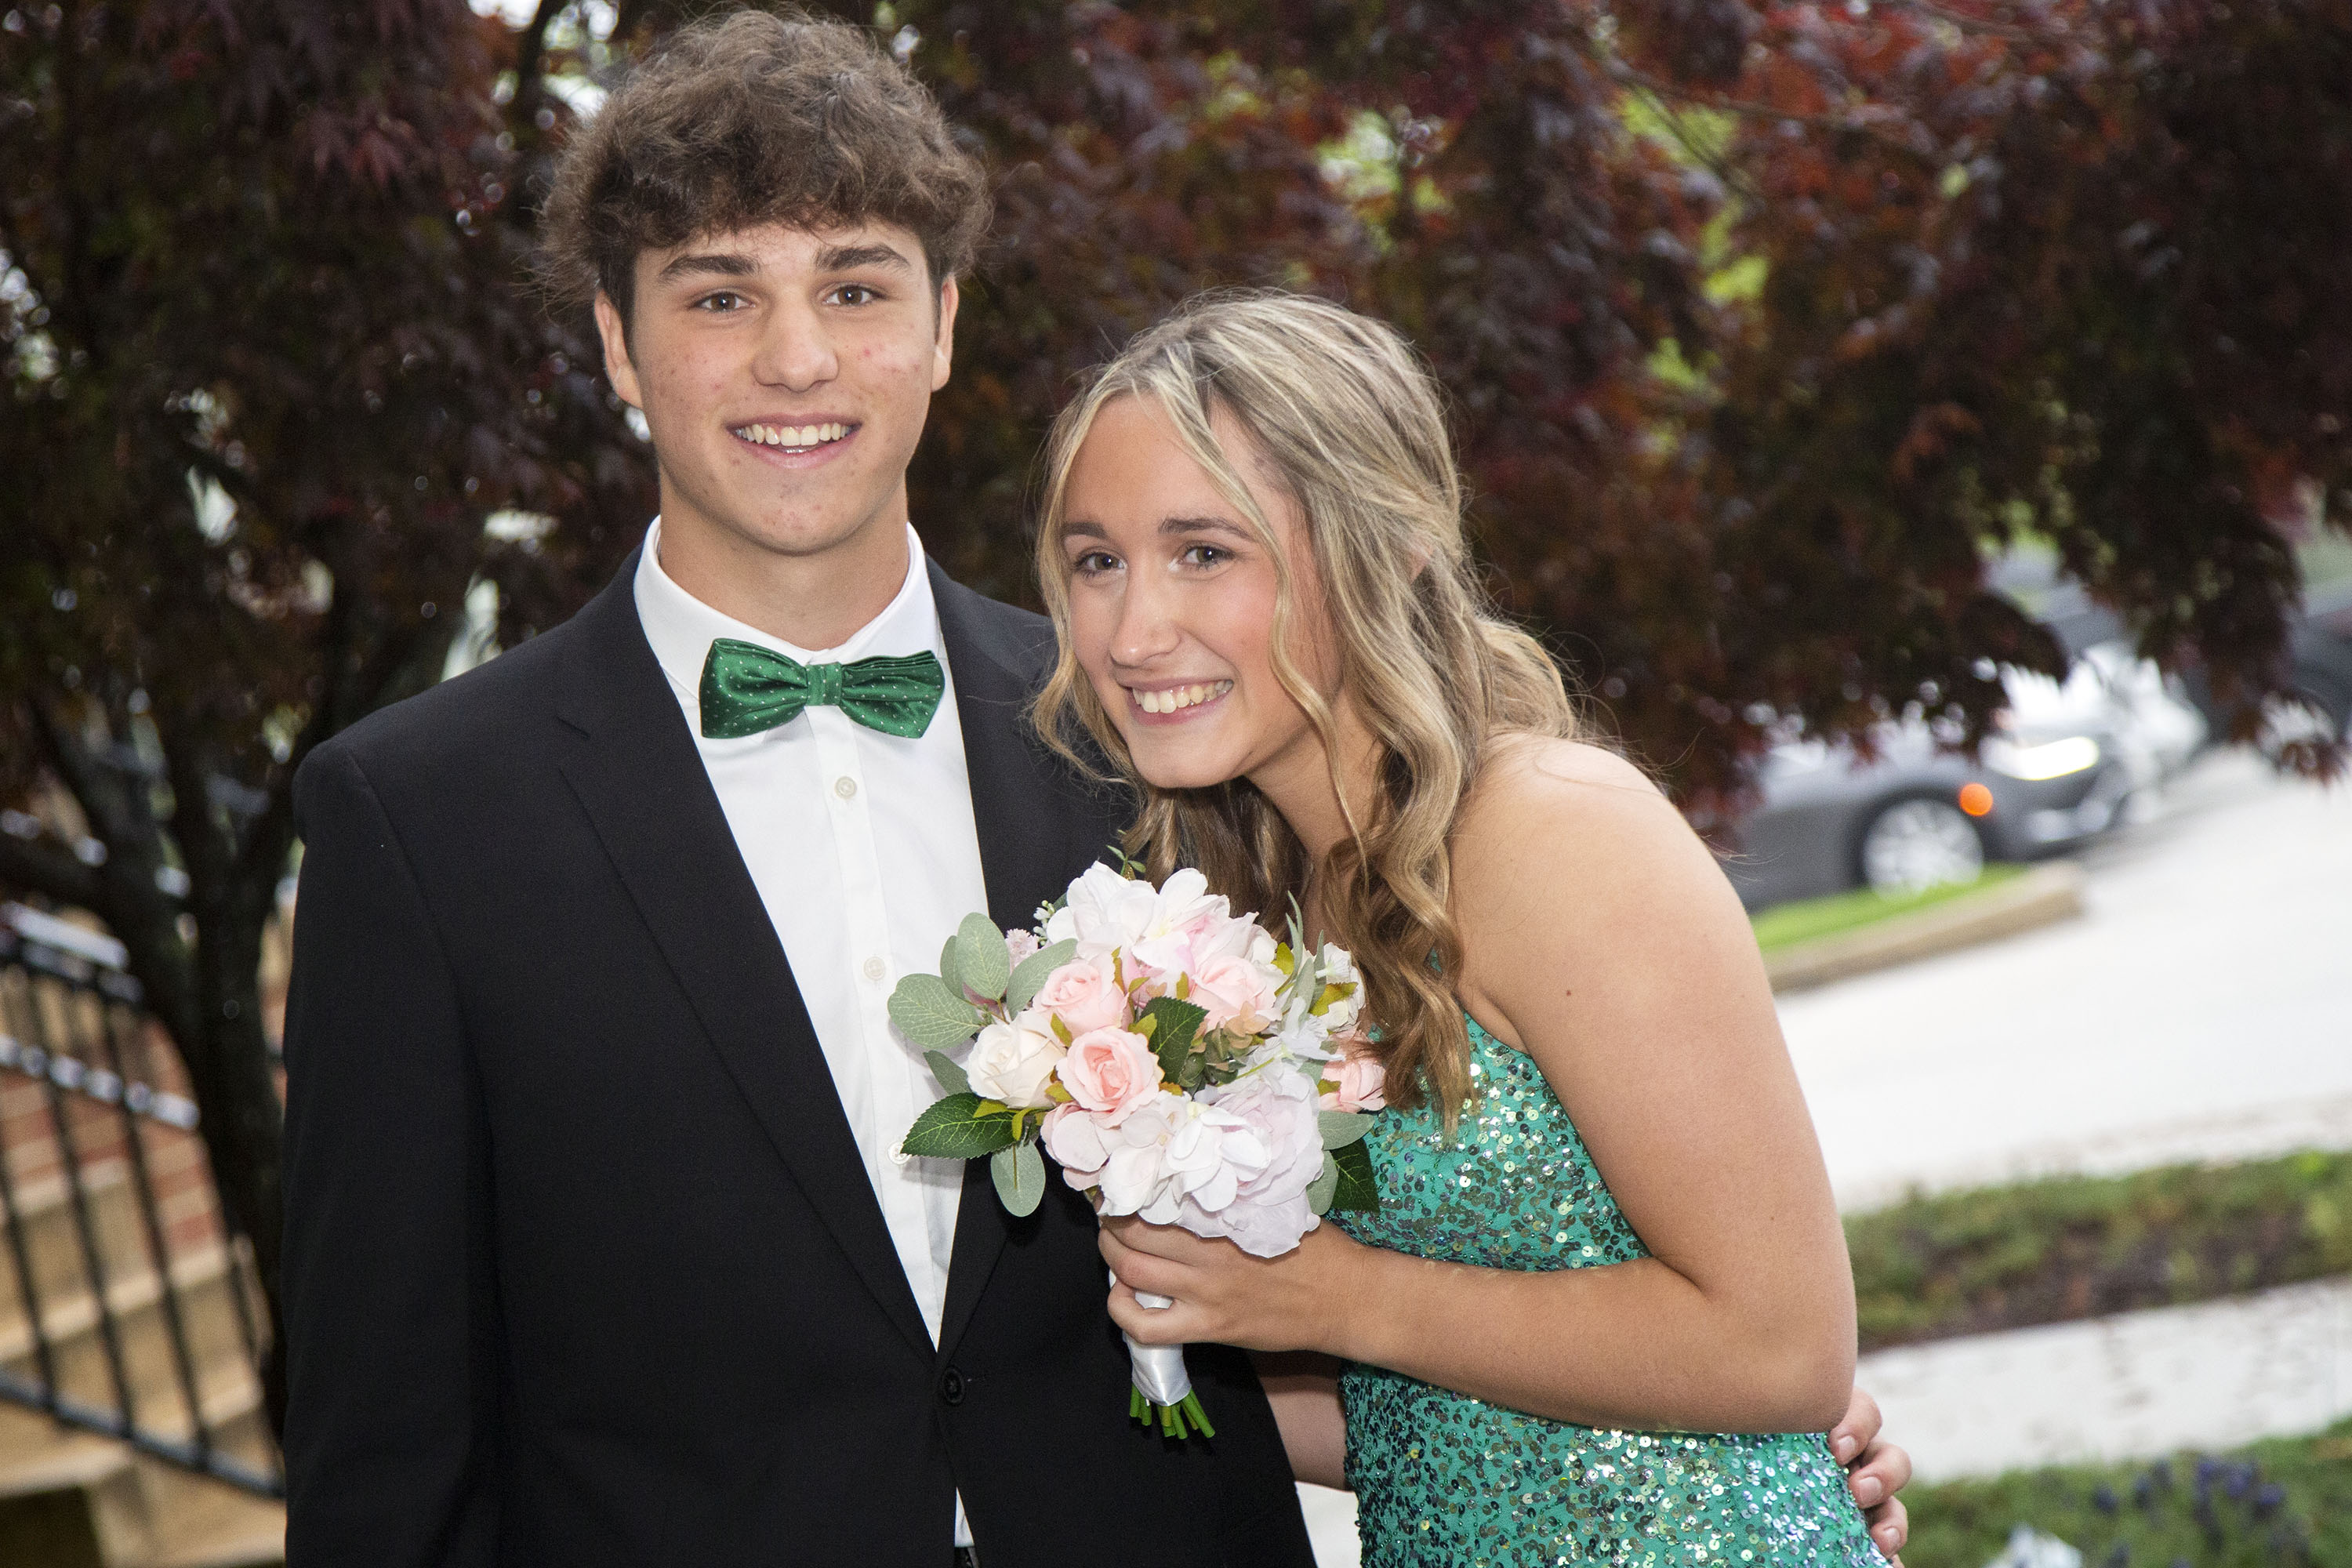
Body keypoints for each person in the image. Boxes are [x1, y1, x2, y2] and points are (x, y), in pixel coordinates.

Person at [280, 10, 1910, 1566]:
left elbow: (1325, 1276)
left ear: (942, 326)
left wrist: (1728, 1434)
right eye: (718, 296)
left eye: (855, 286)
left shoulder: (1163, 758)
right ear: (616, 345)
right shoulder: (418, 823)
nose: (797, 356)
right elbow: (386, 1450)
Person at [1033, 289, 1912, 1565]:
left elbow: (1780, 1348)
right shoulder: (1245, 921)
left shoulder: (1552, 833)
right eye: (1096, 561)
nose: (1130, 632)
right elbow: (1415, 1419)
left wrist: (1343, 1297)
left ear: (1384, 544)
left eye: (1205, 552)